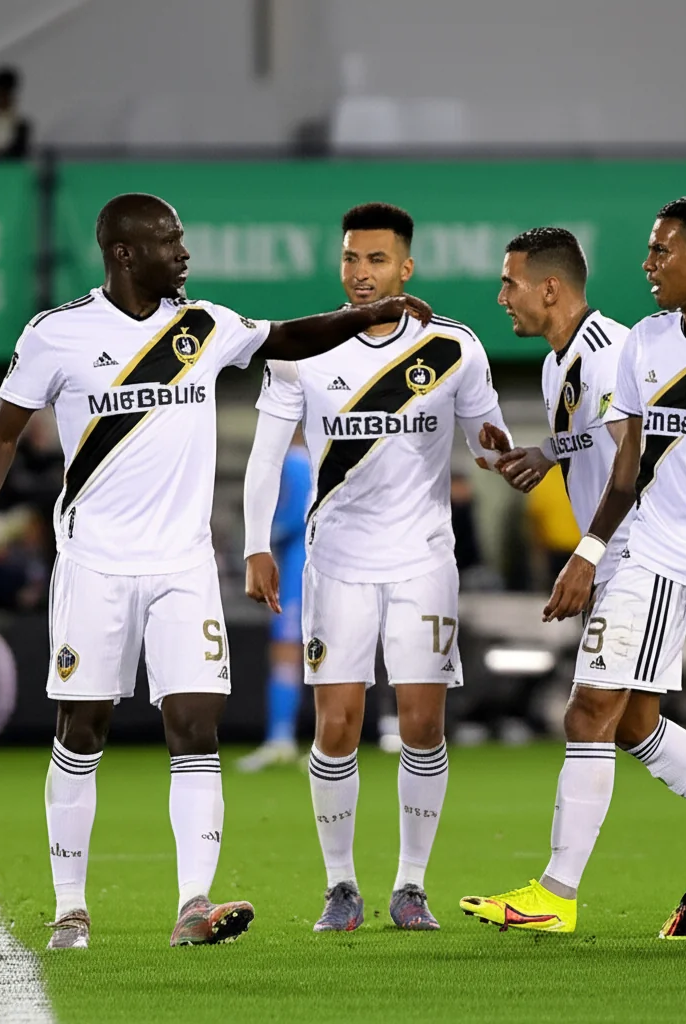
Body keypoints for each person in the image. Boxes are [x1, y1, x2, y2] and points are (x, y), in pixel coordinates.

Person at [0, 192, 432, 951]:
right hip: (96, 563)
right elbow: (3, 432)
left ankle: (193, 904)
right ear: (123, 254)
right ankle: (70, 908)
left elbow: (282, 339)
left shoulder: (202, 325)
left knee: (196, 724)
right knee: (84, 726)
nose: (184, 252)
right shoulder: (58, 334)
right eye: (170, 241)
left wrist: (361, 318)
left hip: (182, 563)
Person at [461, 199, 686, 939]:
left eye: (661, 251)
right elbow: (625, 459)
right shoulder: (627, 349)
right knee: (612, 716)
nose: (647, 264)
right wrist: (574, 512)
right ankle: (573, 889)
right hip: (647, 552)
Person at [243, 202, 510, 932]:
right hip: (336, 562)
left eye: (377, 261)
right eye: (352, 260)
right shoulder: (303, 349)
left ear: (406, 268)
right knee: (338, 724)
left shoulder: (453, 347)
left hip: (423, 560)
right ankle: (340, 887)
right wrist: (255, 543)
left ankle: (412, 886)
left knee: (422, 723)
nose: (362, 274)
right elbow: (267, 453)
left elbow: (489, 441)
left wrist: (507, 457)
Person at [236, 429, 313, 771]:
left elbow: (293, 517)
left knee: (286, 650)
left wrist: (258, 541)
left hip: (298, 564)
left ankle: (281, 738)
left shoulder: (293, 462)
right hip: (322, 562)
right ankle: (316, 742)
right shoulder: (322, 454)